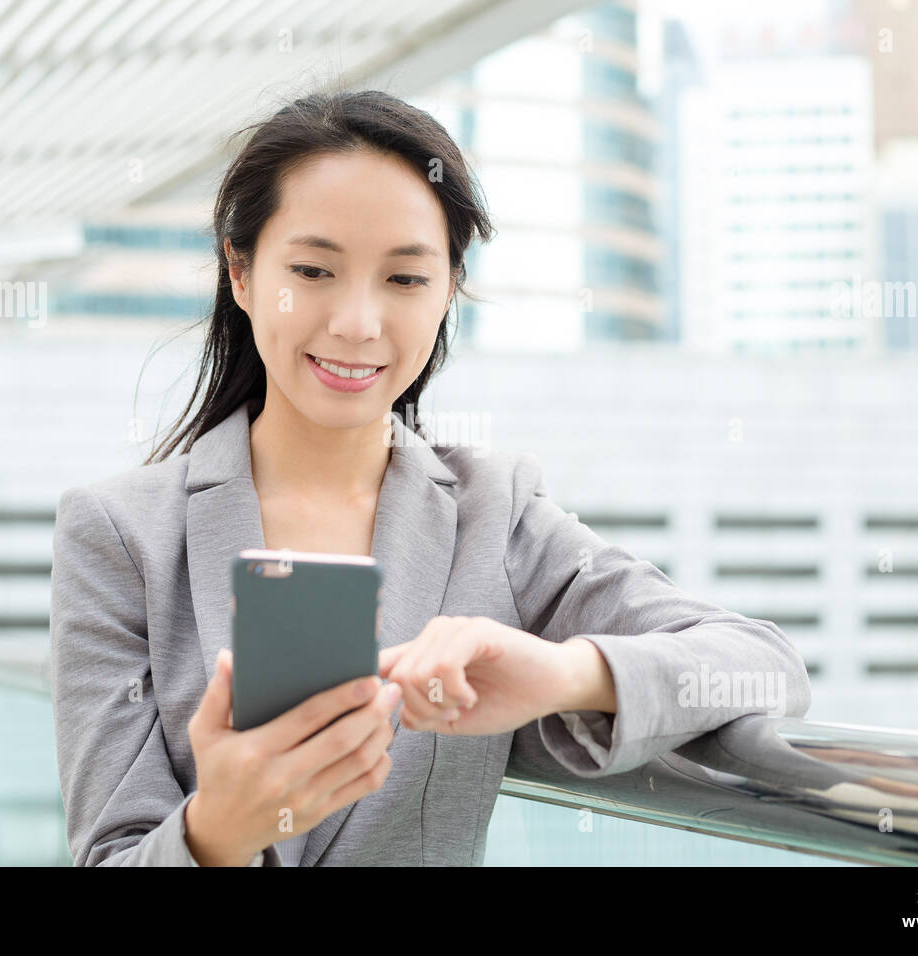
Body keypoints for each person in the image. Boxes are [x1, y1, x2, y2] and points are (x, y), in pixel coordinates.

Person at [48, 88, 812, 866]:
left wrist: (562, 673)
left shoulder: (497, 514)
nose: (358, 323)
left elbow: (761, 668)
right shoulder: (119, 536)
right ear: (240, 274)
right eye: (313, 270)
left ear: (449, 290)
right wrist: (222, 829)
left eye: (406, 280)